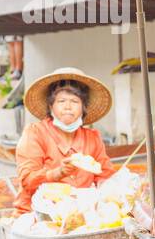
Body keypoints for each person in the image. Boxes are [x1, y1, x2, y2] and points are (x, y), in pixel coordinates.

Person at [14, 68, 116, 213]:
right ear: (51, 106)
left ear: (83, 108)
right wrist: (58, 172)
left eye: (75, 101)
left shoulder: (92, 137)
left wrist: (109, 188)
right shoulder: (35, 133)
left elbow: (105, 175)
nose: (68, 107)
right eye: (61, 101)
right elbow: (27, 180)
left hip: (81, 212)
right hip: (35, 213)